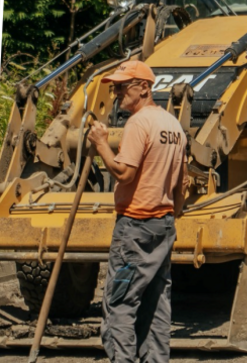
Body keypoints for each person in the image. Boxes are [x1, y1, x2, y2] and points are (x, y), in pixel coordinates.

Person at [86, 60, 187, 363]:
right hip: (163, 226)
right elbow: (181, 186)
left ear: (144, 87)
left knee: (120, 305)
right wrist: (170, 216)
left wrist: (101, 144)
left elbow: (124, 172)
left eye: (122, 86)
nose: (116, 92)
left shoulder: (138, 123)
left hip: (135, 229)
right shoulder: (173, 125)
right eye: (114, 87)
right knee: (156, 306)